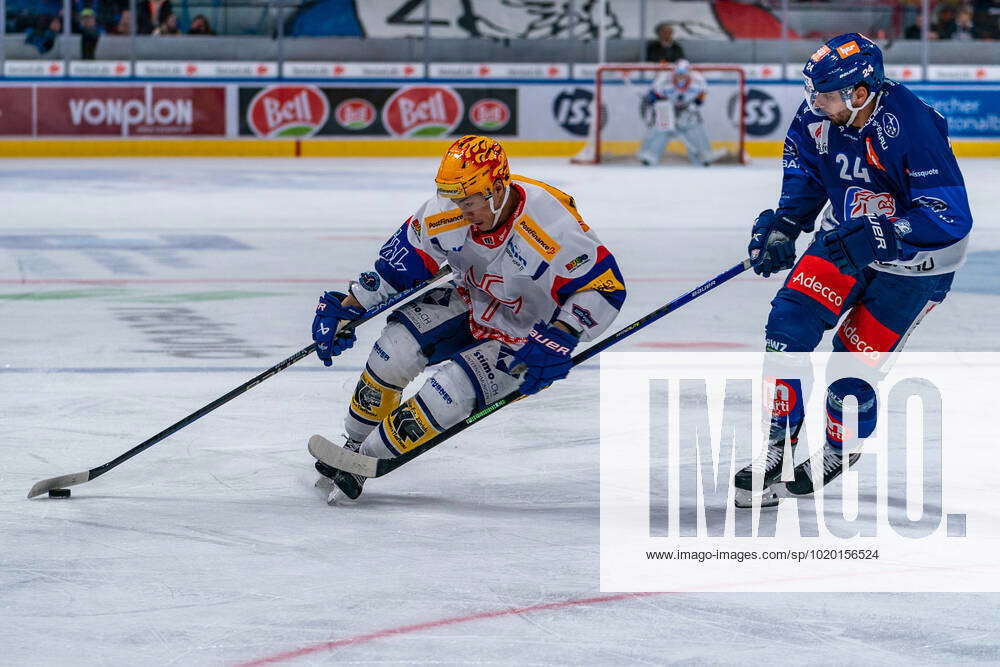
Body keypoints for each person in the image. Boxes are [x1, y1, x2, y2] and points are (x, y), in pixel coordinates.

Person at [309, 135, 627, 503]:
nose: (460, 210)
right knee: (392, 349)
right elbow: (400, 265)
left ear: (497, 187)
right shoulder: (445, 209)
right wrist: (348, 307)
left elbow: (604, 286)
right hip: (472, 297)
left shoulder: (552, 224)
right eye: (455, 200)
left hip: (528, 332)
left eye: (469, 201)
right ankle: (353, 440)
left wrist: (561, 336)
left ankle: (364, 460)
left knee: (447, 394)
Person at [734, 33, 972, 507]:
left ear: (859, 93)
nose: (813, 103)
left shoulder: (911, 126)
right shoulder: (818, 116)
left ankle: (841, 448)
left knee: (850, 365)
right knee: (787, 328)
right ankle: (777, 451)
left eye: (824, 94)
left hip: (915, 264)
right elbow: (804, 174)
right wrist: (784, 225)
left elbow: (948, 215)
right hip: (845, 240)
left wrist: (887, 232)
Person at [635, 60, 725, 167]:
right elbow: (654, 95)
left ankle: (703, 155)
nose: (680, 78)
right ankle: (649, 155)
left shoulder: (698, 81)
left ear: (689, 75)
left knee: (694, 126)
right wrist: (651, 99)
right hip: (667, 107)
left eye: (683, 76)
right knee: (662, 127)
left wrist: (693, 107)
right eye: (678, 75)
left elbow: (700, 99)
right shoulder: (664, 81)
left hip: (687, 108)